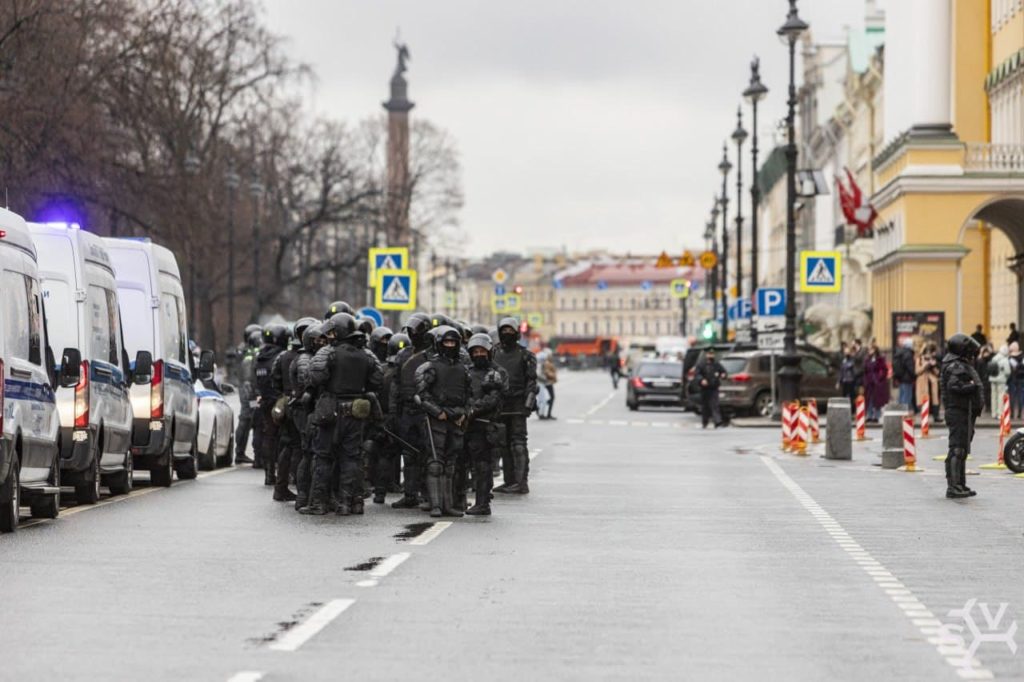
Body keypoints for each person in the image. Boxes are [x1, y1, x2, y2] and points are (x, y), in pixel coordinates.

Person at [301, 313, 383, 516]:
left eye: (331, 332)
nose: (329, 336)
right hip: (355, 413)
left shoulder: (329, 352)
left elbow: (314, 377)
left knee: (323, 458)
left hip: (331, 412)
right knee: (351, 459)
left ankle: (319, 503)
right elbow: (377, 380)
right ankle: (347, 503)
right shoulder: (367, 355)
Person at [415, 326, 471, 518]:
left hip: (456, 418)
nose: (450, 345)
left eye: (453, 342)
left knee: (450, 464)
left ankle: (448, 505)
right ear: (439, 344)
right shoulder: (430, 366)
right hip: (436, 419)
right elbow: (422, 395)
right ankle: (436, 505)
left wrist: (464, 412)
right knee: (435, 464)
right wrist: (437, 412)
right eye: (446, 342)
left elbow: (469, 394)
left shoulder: (463, 368)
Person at [389, 312, 434, 509]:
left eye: (416, 330)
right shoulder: (403, 354)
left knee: (427, 452)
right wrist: (393, 412)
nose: (413, 333)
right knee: (409, 453)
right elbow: (395, 385)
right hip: (406, 410)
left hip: (426, 410)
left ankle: (426, 494)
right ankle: (410, 494)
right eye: (410, 330)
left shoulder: (433, 354)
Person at [492, 317, 538, 495]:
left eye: (510, 331)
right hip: (500, 405)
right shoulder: (494, 353)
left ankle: (521, 482)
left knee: (518, 444)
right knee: (503, 444)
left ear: (517, 332)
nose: (507, 334)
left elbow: (532, 383)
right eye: (504, 330)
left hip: (518, 406)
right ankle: (509, 481)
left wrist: (528, 404)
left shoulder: (526, 355)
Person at [464, 333, 508, 516]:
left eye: (482, 350)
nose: (479, 354)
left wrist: (473, 410)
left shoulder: (495, 373)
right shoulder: (466, 371)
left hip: (485, 425)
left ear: (489, 352)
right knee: (461, 463)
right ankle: (460, 499)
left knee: (482, 466)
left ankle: (482, 503)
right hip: (465, 425)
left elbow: (493, 399)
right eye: (475, 351)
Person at [940, 334, 983, 499]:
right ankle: (954, 486)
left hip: (963, 411)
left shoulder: (957, 363)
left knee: (962, 449)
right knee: (957, 449)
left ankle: (960, 484)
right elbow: (954, 386)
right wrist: (971, 387)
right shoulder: (955, 366)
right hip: (958, 411)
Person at [292, 323, 326, 511]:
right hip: (305, 411)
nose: (322, 342)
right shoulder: (305, 359)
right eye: (318, 340)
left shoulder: (313, 358)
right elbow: (309, 385)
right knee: (308, 454)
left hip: (312, 410)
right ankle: (304, 496)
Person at [254, 324, 289, 485]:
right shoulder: (280, 356)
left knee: (269, 437)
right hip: (280, 402)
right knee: (284, 438)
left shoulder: (260, 356)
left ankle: (269, 473)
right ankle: (282, 474)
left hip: (265, 402)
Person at [234, 328, 262, 466]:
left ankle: (243, 452)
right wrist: (252, 397)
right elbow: (248, 378)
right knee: (250, 419)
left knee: (249, 420)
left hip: (249, 393)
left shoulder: (244, 352)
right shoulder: (249, 355)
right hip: (250, 394)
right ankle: (241, 453)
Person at [696, 349, 727, 428]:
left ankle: (717, 421)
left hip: (714, 387)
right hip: (704, 388)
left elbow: (723, 372)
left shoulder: (716, 364)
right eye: (709, 354)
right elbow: (697, 374)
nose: (711, 355)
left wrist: (723, 375)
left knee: (715, 405)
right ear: (706, 355)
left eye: (712, 354)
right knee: (705, 406)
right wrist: (701, 380)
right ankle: (705, 422)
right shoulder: (701, 364)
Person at [863, 342, 888, 422]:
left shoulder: (880, 359)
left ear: (874, 350)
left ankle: (876, 416)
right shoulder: (867, 359)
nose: (869, 351)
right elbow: (865, 370)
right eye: (868, 349)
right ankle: (869, 415)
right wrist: (866, 380)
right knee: (869, 399)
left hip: (877, 382)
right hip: (869, 382)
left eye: (870, 349)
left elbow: (884, 370)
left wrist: (879, 377)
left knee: (877, 400)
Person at [915, 342, 940, 419]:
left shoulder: (933, 359)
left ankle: (936, 417)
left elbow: (938, 372)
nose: (928, 355)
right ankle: (925, 418)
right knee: (924, 399)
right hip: (923, 382)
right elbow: (917, 371)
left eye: (929, 352)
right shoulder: (919, 359)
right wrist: (925, 365)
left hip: (932, 382)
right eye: (927, 352)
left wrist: (933, 366)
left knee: (935, 399)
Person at [892, 338, 916, 413]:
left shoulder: (900, 352)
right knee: (907, 398)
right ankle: (904, 416)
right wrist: (914, 375)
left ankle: (900, 415)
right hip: (907, 378)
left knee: (902, 397)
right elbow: (910, 367)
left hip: (901, 378)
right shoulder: (908, 353)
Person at [536, 348, 558, 420]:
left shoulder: (546, 362)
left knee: (548, 398)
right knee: (543, 399)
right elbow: (539, 374)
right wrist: (547, 378)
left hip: (546, 382)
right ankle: (540, 412)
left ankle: (546, 413)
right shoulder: (542, 363)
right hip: (543, 382)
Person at [838, 343, 859, 410]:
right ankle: (845, 409)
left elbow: (854, 369)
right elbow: (841, 371)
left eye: (847, 351)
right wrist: (839, 381)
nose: (846, 353)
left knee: (852, 396)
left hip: (851, 380)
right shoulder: (843, 360)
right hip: (844, 380)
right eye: (845, 351)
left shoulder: (852, 359)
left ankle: (852, 410)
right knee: (844, 396)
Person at [976, 343, 995, 416]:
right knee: (985, 394)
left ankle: (988, 406)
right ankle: (987, 406)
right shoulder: (981, 360)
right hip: (984, 379)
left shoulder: (988, 359)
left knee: (988, 394)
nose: (986, 354)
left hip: (987, 379)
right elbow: (978, 370)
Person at [1010, 342, 1024, 419]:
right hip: (1022, 378)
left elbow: (1011, 369)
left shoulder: (1010, 358)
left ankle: (1012, 413)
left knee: (1012, 396)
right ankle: (1019, 413)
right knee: (1021, 396)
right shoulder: (1022, 357)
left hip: (1013, 379)